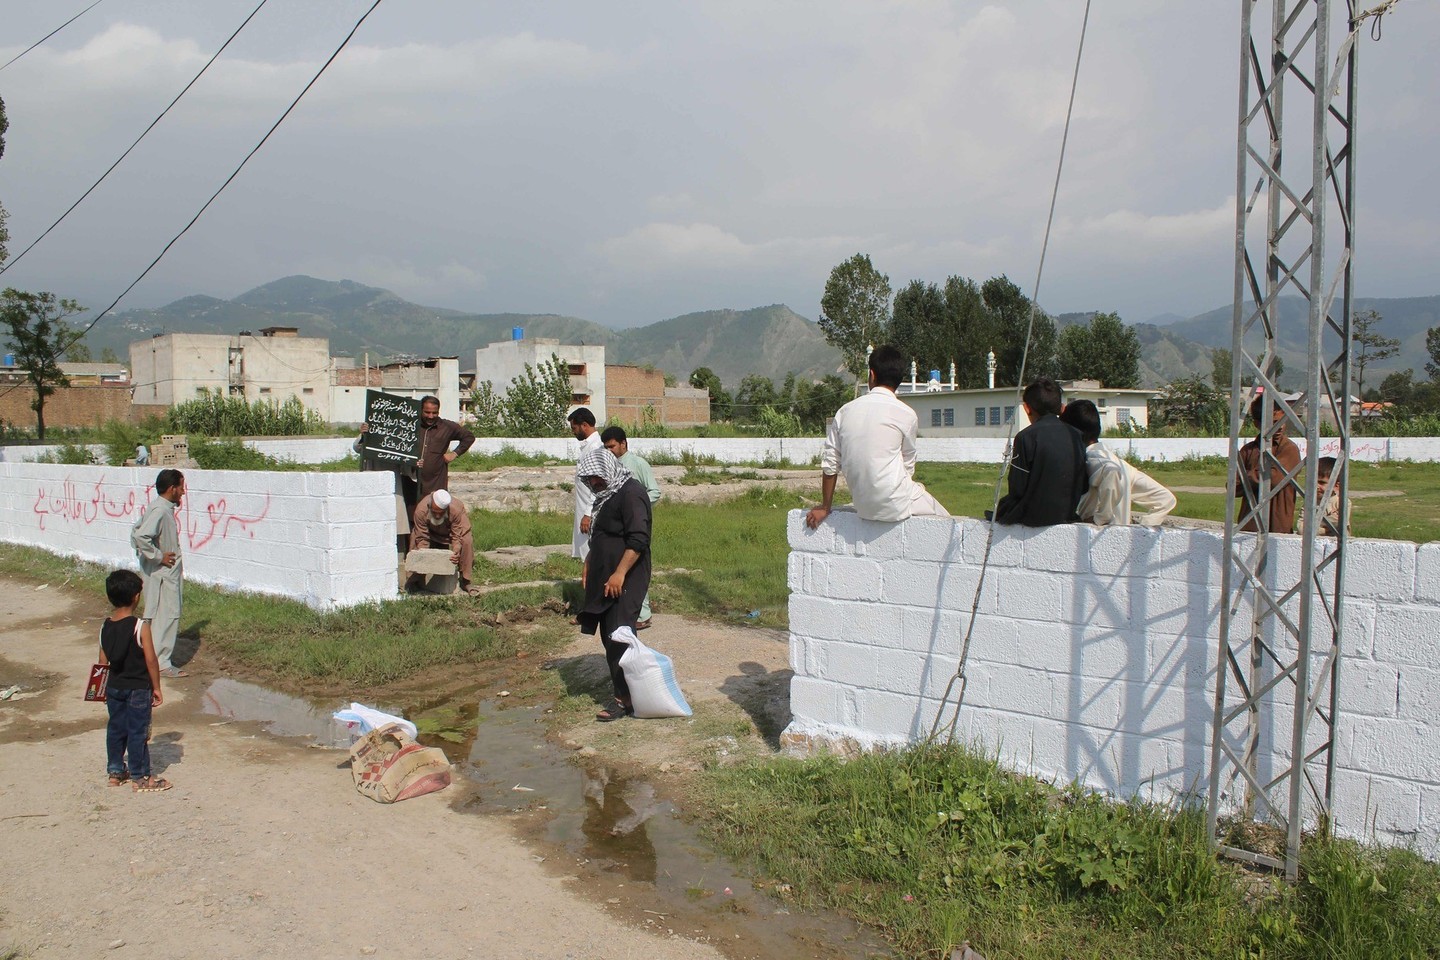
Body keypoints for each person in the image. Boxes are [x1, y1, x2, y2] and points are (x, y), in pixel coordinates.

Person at [805, 344, 949, 529]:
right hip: (897, 504)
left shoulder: (845, 411)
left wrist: (825, 507)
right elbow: (908, 464)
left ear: (871, 374)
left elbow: (831, 463)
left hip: (863, 505)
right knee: (947, 521)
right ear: (899, 379)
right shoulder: (907, 414)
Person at [576, 448, 652, 722]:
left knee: (619, 634)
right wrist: (589, 562)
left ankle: (625, 700)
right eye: (590, 478)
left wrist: (619, 573)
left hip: (627, 576)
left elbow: (638, 539)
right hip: (605, 575)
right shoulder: (607, 495)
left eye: (597, 476)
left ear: (608, 469)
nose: (594, 482)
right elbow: (601, 534)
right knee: (609, 633)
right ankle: (629, 693)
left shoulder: (630, 493)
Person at [99, 569, 170, 792]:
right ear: (136, 597)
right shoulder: (141, 626)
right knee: (138, 732)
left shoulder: (105, 626)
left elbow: (102, 662)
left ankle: (116, 771)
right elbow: (150, 659)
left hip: (114, 688)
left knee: (116, 728)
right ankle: (141, 777)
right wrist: (156, 687)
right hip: (138, 689)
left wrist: (101, 690)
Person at [1060, 400, 1176, 527]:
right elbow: (1166, 500)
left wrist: (1100, 519)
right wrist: (1143, 530)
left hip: (1096, 538)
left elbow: (1111, 471)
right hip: (1122, 538)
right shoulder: (1121, 464)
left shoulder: (1094, 458)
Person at [993, 377, 1088, 527]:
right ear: (1061, 408)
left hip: (1033, 517)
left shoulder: (1025, 437)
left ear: (1027, 408)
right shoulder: (1076, 435)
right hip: (1068, 513)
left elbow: (1017, 488)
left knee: (1002, 507)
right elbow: (1083, 485)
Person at [601, 425, 660, 629]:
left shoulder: (638, 464)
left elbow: (654, 491)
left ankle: (642, 614)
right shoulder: (608, 467)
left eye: (612, 447)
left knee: (636, 566)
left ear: (623, 444)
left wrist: (636, 507)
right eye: (605, 448)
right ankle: (627, 612)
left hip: (636, 524)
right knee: (621, 567)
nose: (609, 451)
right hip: (616, 526)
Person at [130, 469, 187, 678]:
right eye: (181, 487)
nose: (183, 492)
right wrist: (158, 556)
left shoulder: (160, 508)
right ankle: (162, 662)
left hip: (161, 573)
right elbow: (141, 536)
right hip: (163, 574)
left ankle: (153, 658)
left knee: (160, 615)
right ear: (172, 489)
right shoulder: (160, 511)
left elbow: (135, 532)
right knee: (168, 615)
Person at [1236, 392, 1301, 534]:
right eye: (1272, 423)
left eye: (1281, 421)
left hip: (1278, 523)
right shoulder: (1248, 451)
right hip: (1250, 523)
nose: (1279, 427)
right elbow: (1234, 487)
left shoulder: (1289, 449)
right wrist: (1257, 476)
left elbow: (1273, 478)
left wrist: (1247, 477)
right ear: (1257, 424)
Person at [355, 422, 415, 554]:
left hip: (394, 481)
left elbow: (408, 465)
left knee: (397, 520)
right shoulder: (371, 430)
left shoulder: (401, 433)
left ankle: (399, 554)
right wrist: (363, 434)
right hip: (372, 477)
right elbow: (357, 447)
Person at [408, 489, 478, 594]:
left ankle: (466, 581)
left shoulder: (455, 509)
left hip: (451, 532)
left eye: (441, 513)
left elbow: (456, 535)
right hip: (431, 532)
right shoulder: (421, 510)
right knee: (414, 536)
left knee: (467, 540)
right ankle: (414, 579)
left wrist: (456, 551)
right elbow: (422, 537)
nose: (437, 516)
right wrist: (424, 554)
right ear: (430, 507)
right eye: (435, 512)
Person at [415, 395, 476, 500]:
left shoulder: (446, 427)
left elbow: (469, 437)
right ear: (421, 410)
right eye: (427, 412)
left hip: (436, 482)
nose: (431, 416)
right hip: (411, 480)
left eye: (434, 413)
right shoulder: (412, 425)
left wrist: (454, 453)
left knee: (435, 511)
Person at [568, 407, 604, 560]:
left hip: (591, 511)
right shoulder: (588, 446)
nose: (573, 432)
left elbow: (599, 484)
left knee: (594, 553)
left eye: (574, 428)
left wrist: (588, 513)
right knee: (588, 554)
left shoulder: (595, 448)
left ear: (584, 425)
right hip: (585, 509)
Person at [1307, 455, 1349, 537]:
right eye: (1313, 481)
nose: (1316, 486)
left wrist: (1312, 525)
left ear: (1336, 485)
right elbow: (1301, 528)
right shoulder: (1309, 503)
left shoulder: (1342, 502)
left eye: (1321, 483)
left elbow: (1339, 525)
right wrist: (1326, 529)